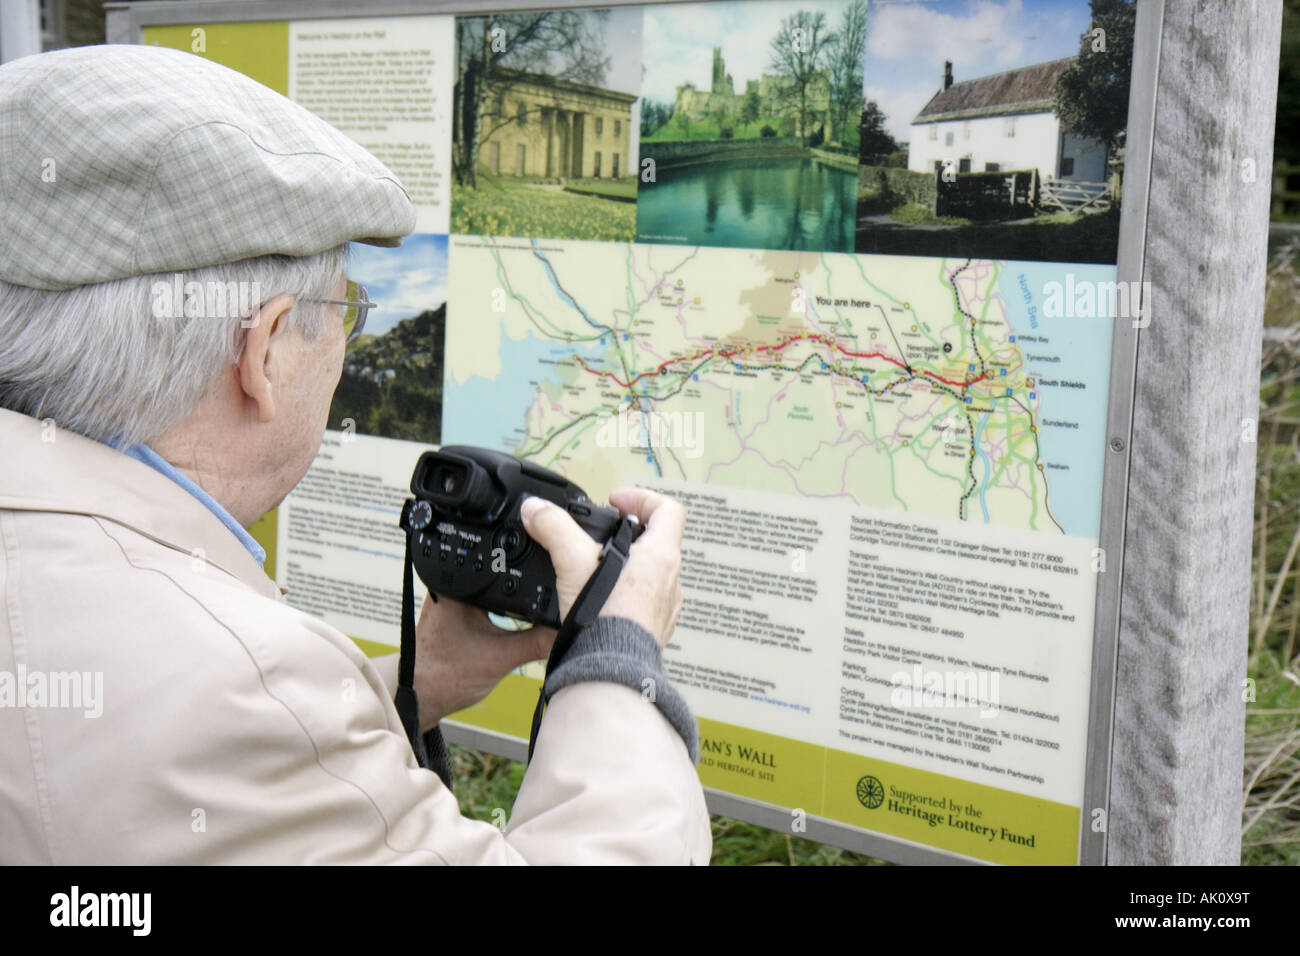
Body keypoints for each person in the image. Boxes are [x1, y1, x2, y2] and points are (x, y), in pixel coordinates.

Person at [0, 44, 711, 864]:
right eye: (347, 309)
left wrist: (414, 686)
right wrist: (620, 660)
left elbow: (132, 781)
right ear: (263, 352)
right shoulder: (235, 682)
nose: (345, 343)